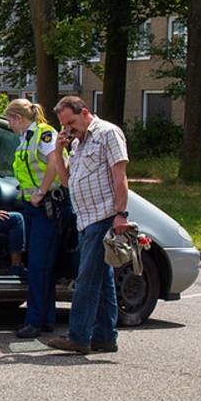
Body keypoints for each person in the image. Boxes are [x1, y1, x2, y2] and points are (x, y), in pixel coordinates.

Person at [45, 95, 129, 354]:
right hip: (85, 218)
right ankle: (105, 336)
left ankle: (79, 336)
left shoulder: (107, 133)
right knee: (102, 280)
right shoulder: (77, 143)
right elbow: (66, 181)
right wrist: (58, 150)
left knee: (87, 279)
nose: (68, 129)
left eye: (71, 122)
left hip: (102, 216)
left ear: (85, 113)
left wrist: (121, 214)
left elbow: (120, 176)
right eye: (64, 125)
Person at [5, 98, 68, 338]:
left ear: (17, 118)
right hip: (34, 206)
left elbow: (55, 162)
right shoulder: (26, 138)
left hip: (47, 205)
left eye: (9, 120)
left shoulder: (44, 133)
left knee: (39, 266)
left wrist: (41, 191)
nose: (8, 125)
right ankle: (46, 319)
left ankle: (34, 321)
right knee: (42, 266)